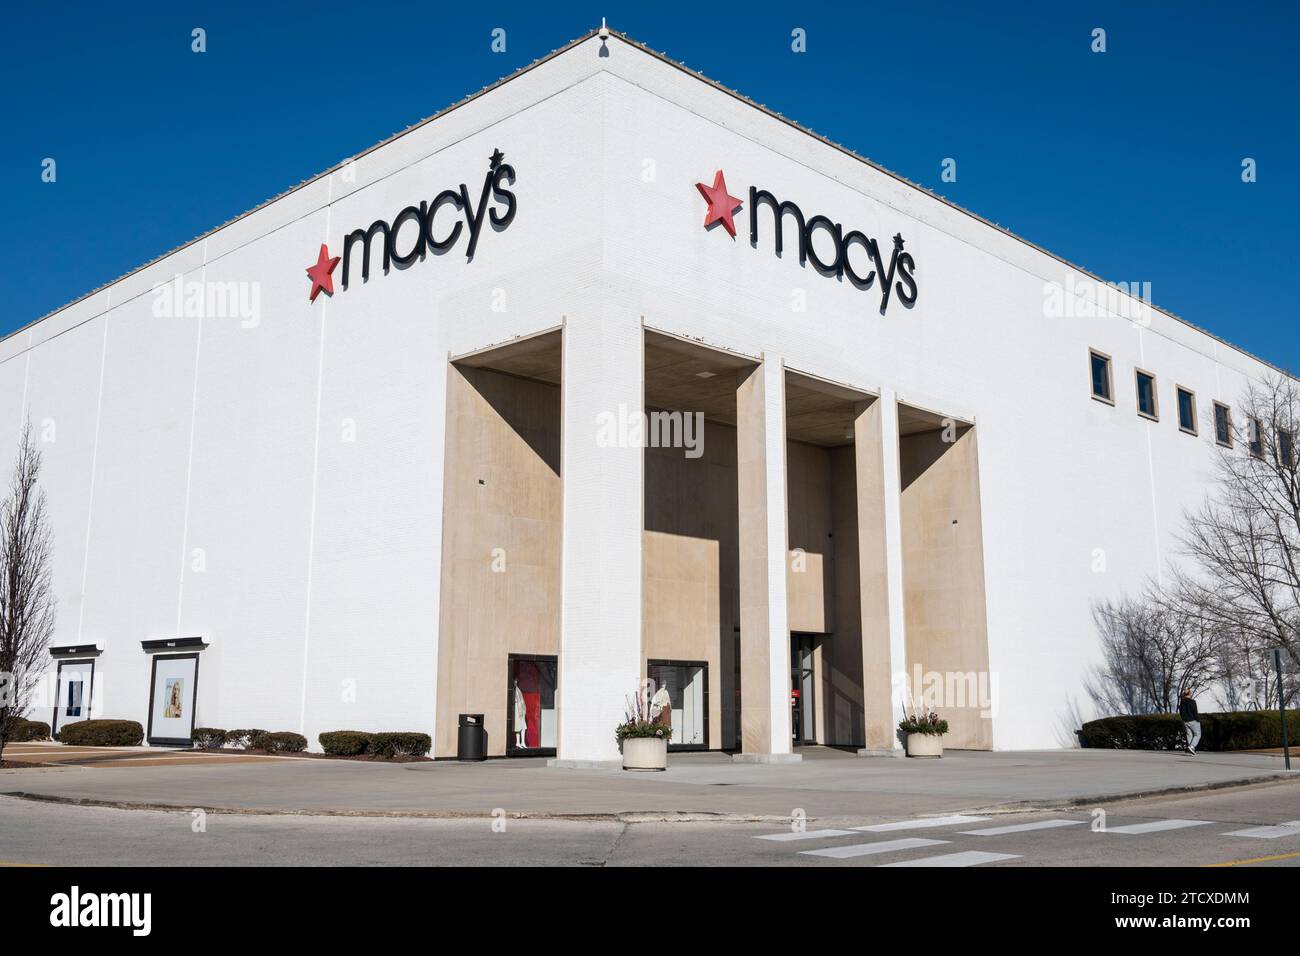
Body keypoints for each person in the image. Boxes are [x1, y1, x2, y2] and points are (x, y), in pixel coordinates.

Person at [1178, 690, 1200, 755]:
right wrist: (1198, 720)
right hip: (1193, 720)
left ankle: (1191, 750)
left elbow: (1181, 712)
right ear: (1190, 694)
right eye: (1191, 693)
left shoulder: (1182, 702)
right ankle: (1191, 746)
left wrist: (1183, 719)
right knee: (1197, 734)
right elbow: (1195, 712)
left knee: (1189, 735)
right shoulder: (1192, 702)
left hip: (1185, 721)